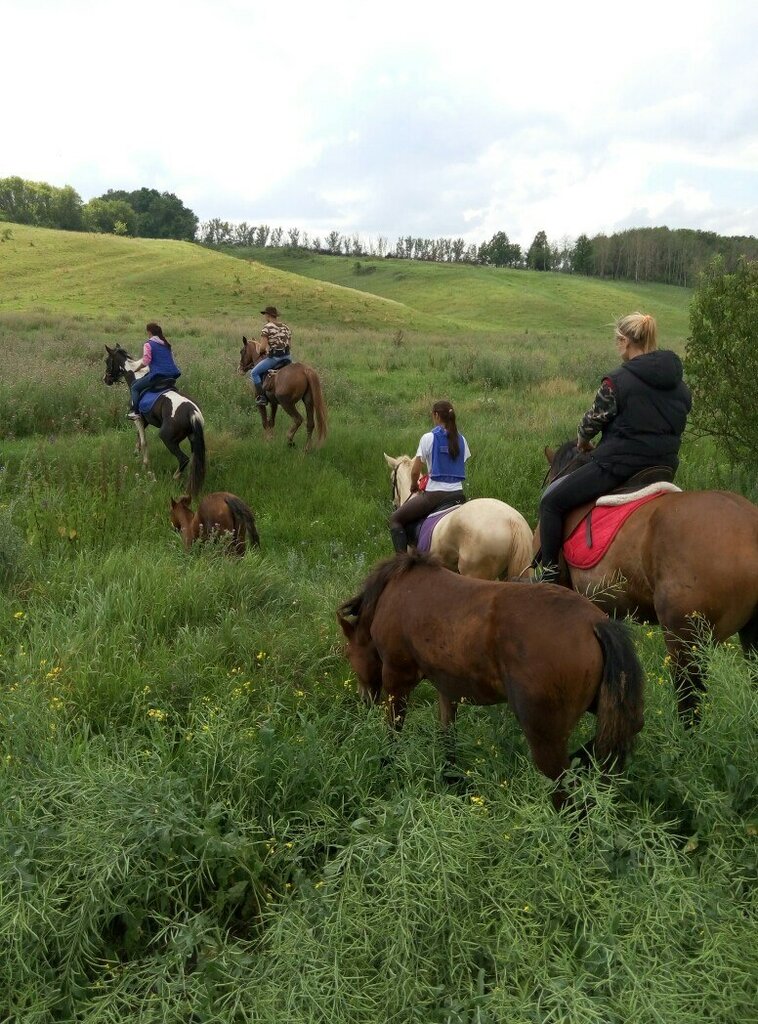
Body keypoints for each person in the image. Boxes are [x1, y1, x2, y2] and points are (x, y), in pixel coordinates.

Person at [533, 312, 692, 582]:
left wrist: (583, 442)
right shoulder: (681, 387)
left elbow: (590, 424)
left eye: (617, 341)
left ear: (624, 341)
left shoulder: (616, 381)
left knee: (551, 502)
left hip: (618, 466)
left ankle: (547, 576)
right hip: (663, 468)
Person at [389, 399, 471, 554]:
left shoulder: (428, 438)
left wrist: (414, 485)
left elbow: (415, 471)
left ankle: (401, 563)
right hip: (458, 494)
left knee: (395, 519)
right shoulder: (462, 439)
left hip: (435, 496)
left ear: (436, 415)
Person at [127, 322, 182, 419]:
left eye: (147, 332)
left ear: (149, 332)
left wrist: (137, 369)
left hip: (159, 376)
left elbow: (146, 361)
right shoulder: (166, 344)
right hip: (172, 375)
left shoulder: (148, 344)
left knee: (135, 387)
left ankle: (135, 412)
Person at [250, 305, 293, 406]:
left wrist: (262, 352)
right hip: (287, 358)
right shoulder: (286, 327)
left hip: (275, 358)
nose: (264, 316)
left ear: (268, 315)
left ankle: (262, 397)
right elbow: (290, 346)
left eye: (265, 314)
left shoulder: (267, 327)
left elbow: (262, 348)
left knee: (254, 373)